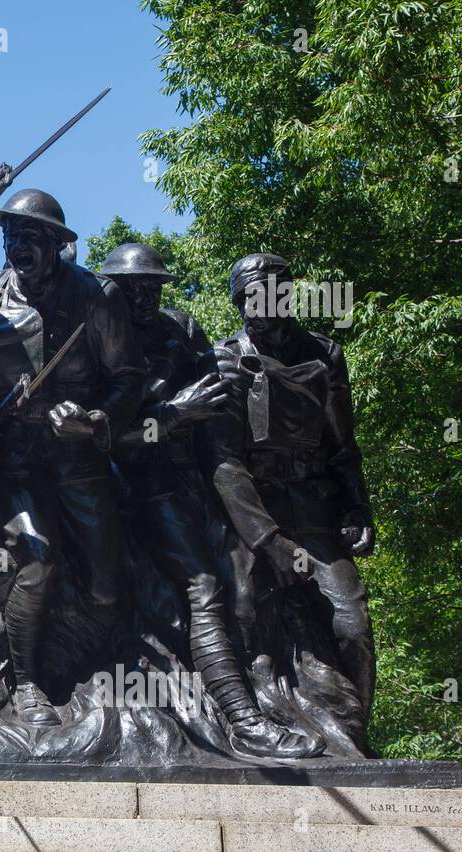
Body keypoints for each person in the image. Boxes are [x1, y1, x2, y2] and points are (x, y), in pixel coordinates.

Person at [102, 243, 322, 757]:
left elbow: (220, 397)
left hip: (206, 474)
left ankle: (278, 697)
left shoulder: (182, 330)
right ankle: (245, 722)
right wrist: (174, 415)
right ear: (109, 290)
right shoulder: (94, 341)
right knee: (203, 589)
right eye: (131, 289)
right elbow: (104, 436)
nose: (143, 299)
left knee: (248, 590)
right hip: (142, 485)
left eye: (152, 288)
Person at [0, 189, 144, 724]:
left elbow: (129, 379)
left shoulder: (95, 298)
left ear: (58, 245)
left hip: (77, 458)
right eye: (11, 237)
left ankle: (89, 679)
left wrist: (96, 420)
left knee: (107, 589)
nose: (18, 248)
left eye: (31, 238)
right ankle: (27, 683)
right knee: (38, 560)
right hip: (10, 457)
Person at [206, 253, 376, 732]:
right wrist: (269, 541)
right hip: (251, 517)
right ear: (240, 301)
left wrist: (357, 506)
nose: (261, 304)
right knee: (241, 614)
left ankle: (355, 738)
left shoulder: (324, 356)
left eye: (272, 292)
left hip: (314, 508)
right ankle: (255, 728)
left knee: (352, 625)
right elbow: (224, 464)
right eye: (250, 296)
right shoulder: (224, 361)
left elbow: (343, 447)